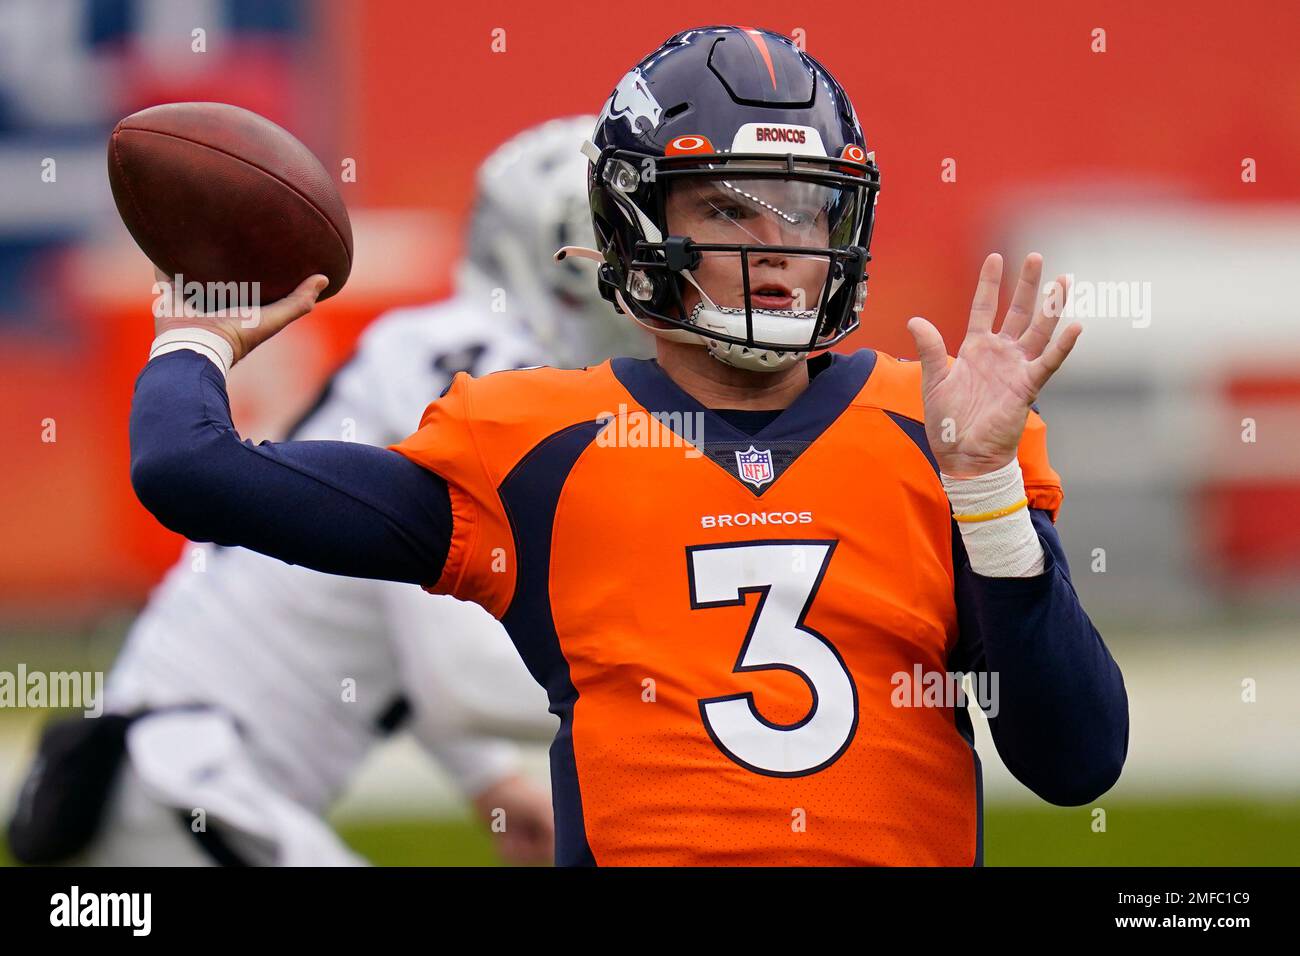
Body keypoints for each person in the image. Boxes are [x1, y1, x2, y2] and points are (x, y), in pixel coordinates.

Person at [125, 26, 1128, 866]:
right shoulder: (528, 443)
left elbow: (1075, 758)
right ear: (637, 223)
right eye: (731, 204)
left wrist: (988, 490)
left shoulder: (937, 433)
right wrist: (197, 327)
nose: (778, 243)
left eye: (809, 204)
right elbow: (192, 471)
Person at [9, 116, 647, 867]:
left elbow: (402, 606)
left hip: (177, 781)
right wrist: (674, 691)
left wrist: (486, 777)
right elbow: (461, 676)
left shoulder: (449, 349)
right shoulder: (487, 368)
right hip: (193, 785)